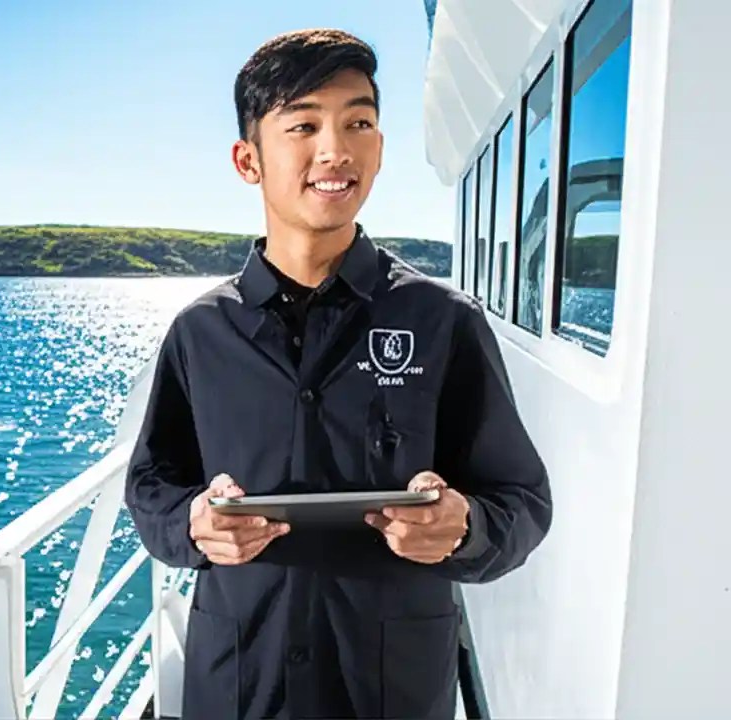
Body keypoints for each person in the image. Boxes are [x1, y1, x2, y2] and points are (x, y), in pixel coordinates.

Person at [123, 28, 553, 719]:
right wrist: (194, 523)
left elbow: (523, 501)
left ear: (380, 149)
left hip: (391, 690)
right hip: (241, 684)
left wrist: (464, 525)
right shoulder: (200, 335)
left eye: (359, 122)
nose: (336, 149)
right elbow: (152, 485)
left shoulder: (443, 322)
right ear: (248, 159)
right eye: (304, 125)